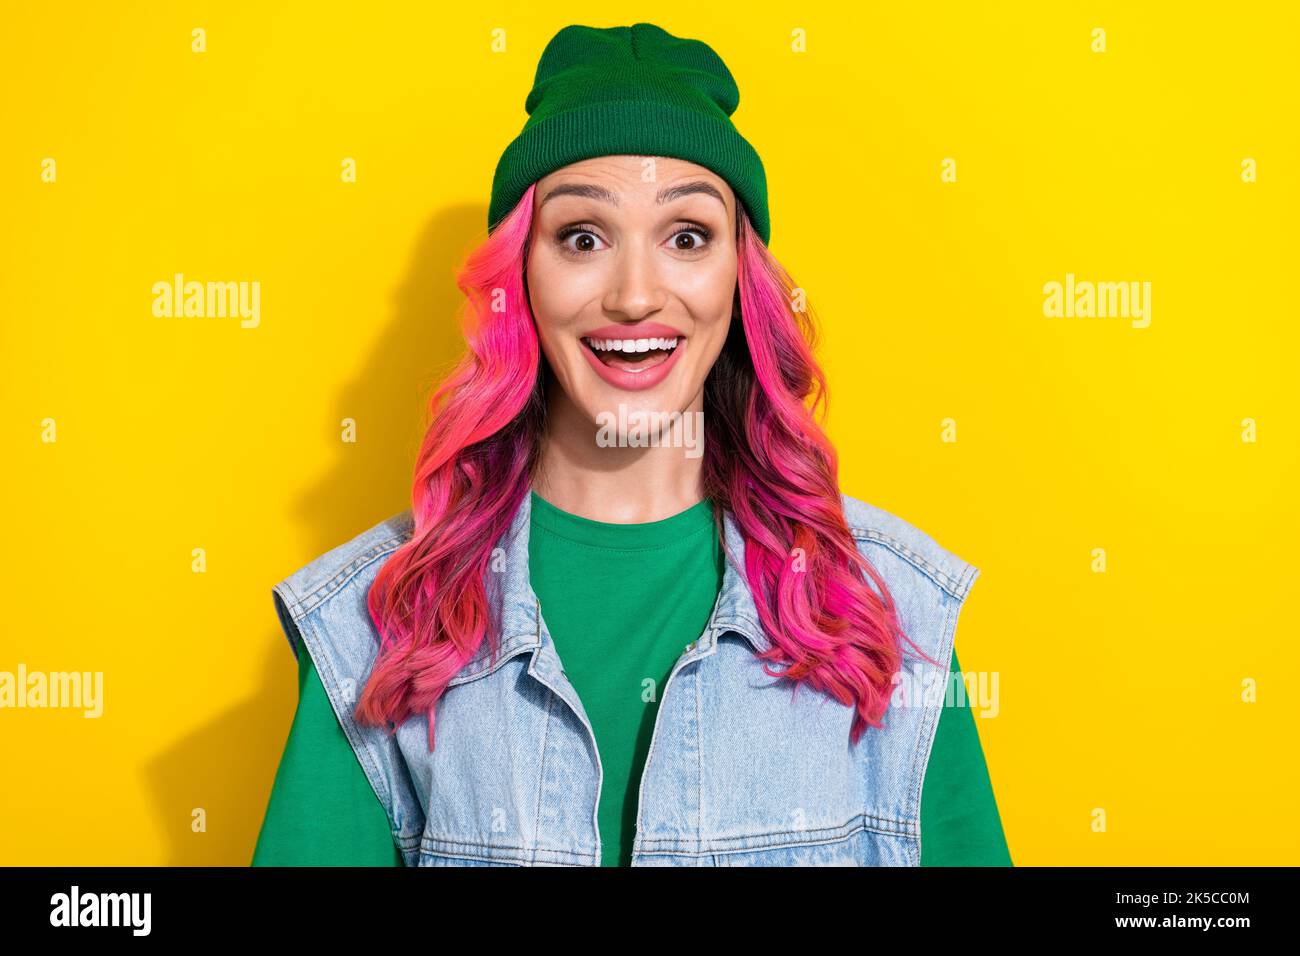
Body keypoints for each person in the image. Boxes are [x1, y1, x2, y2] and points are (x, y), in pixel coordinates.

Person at [252, 22, 1011, 867]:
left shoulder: (887, 615)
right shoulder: (380, 625)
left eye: (687, 236)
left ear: (738, 275)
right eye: (583, 237)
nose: (636, 295)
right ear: (522, 276)